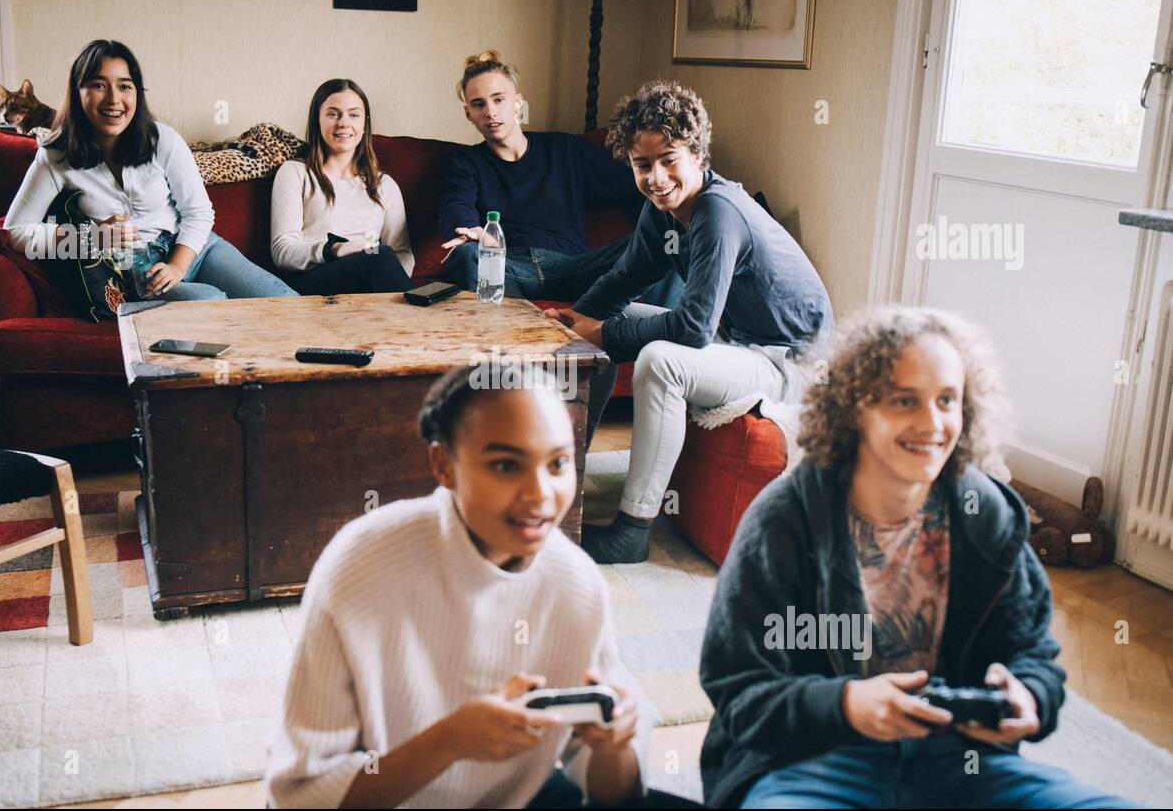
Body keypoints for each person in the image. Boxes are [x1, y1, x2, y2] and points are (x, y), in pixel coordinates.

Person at [699, 306, 1135, 809]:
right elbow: (738, 689)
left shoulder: (985, 513)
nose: (932, 424)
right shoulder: (786, 518)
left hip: (961, 760)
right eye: (905, 401)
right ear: (855, 407)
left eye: (947, 400)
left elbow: (1033, 654)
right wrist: (845, 705)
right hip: (813, 759)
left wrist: (1030, 695)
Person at [266, 364, 658, 808]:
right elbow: (297, 797)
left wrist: (613, 747)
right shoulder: (361, 566)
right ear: (444, 466)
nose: (541, 494)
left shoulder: (576, 583)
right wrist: (449, 741)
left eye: (558, 463)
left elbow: (613, 794)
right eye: (507, 465)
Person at [544, 80, 832, 564]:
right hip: (736, 340)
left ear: (698, 153)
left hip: (791, 364)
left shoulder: (720, 213)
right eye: (642, 164)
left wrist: (604, 332)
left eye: (669, 159)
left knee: (660, 361)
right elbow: (627, 275)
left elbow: (694, 329)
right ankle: (568, 476)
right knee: (607, 321)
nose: (656, 177)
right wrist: (579, 319)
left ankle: (632, 531)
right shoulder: (662, 209)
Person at [5, 39, 295, 302]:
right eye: (98, 85)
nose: (113, 99)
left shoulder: (163, 138)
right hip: (136, 270)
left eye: (124, 86)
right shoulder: (55, 155)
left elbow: (199, 211)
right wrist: (91, 236)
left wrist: (178, 265)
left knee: (287, 303)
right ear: (77, 92)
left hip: (196, 250)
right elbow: (17, 231)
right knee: (209, 304)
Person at [438, 49, 681, 306]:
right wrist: (470, 231)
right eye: (478, 104)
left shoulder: (565, 149)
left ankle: (667, 339)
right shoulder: (465, 162)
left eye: (499, 99)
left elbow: (632, 184)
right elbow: (456, 204)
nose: (490, 111)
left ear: (518, 104)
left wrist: (667, 213)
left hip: (575, 268)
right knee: (464, 254)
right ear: (468, 113)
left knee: (673, 235)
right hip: (508, 269)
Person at [269, 78, 417, 295]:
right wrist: (335, 249)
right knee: (380, 256)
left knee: (381, 256)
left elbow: (403, 254)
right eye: (333, 114)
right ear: (317, 120)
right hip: (313, 280)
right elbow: (283, 251)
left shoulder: (384, 185)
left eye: (354, 114)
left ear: (364, 124)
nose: (343, 123)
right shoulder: (295, 173)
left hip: (372, 281)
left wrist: (387, 288)